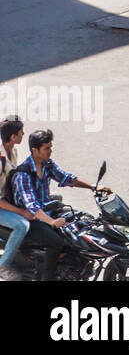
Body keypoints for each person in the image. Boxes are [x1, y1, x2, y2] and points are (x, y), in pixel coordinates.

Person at [7, 129, 109, 281]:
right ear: (35, 150)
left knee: (79, 228)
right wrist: (52, 222)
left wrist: (92, 187)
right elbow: (32, 206)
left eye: (51, 147)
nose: (50, 151)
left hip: (46, 211)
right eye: (46, 148)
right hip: (31, 219)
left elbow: (66, 178)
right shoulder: (24, 174)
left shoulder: (46, 164)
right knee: (56, 242)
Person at [0, 115, 29, 280]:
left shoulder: (12, 151)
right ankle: (3, 267)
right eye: (20, 132)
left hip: (7, 198)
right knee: (21, 225)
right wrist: (20, 211)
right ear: (12, 137)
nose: (23, 134)